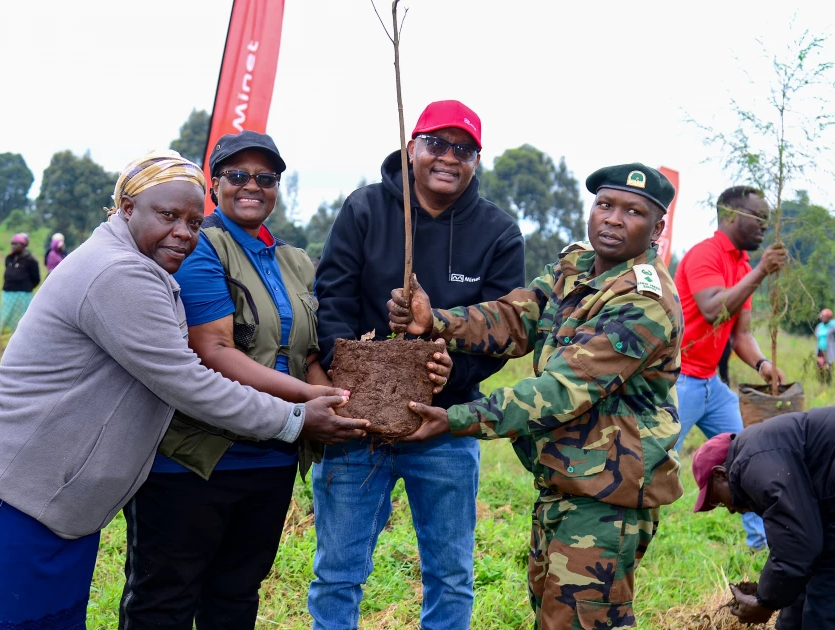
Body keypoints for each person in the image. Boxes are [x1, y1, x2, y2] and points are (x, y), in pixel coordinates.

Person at [0, 150, 369, 630]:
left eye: (194, 221)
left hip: (56, 502)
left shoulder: (147, 269)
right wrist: (296, 419)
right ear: (126, 208)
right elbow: (186, 380)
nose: (183, 232)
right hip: (6, 491)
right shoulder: (119, 273)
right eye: (168, 215)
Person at [389, 163, 684, 630]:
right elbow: (513, 319)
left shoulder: (644, 299)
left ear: (656, 228)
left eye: (632, 211)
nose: (612, 219)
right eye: (605, 205)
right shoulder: (576, 267)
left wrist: (457, 417)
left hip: (609, 495)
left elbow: (563, 390)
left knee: (582, 622)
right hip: (565, 481)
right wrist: (437, 320)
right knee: (551, 616)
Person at [118, 132, 387, 630]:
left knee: (237, 595)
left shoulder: (294, 260)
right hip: (195, 460)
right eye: (237, 175)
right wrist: (310, 401)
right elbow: (213, 350)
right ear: (214, 185)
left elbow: (304, 352)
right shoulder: (199, 245)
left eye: (266, 178)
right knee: (165, 599)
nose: (251, 186)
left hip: (271, 458)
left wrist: (339, 400)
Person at [308, 100, 525, 629]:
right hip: (357, 424)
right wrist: (349, 366)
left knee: (450, 575)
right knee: (337, 572)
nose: (448, 157)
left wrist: (456, 375)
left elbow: (504, 327)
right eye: (436, 144)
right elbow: (331, 295)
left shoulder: (498, 232)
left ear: (477, 158)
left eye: (463, 148)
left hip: (445, 430)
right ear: (412, 147)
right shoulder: (365, 209)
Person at [673, 185, 788, 551]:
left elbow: (740, 333)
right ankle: (622, 534)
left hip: (712, 384)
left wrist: (762, 362)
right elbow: (713, 309)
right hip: (680, 381)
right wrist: (761, 273)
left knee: (749, 458)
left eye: (767, 221)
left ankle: (762, 544)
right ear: (731, 215)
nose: (764, 228)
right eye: (758, 219)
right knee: (652, 460)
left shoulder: (741, 264)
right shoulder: (704, 255)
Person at [691, 408, 835, 629]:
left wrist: (765, 603)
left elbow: (799, 546)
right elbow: (802, 557)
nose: (728, 509)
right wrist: (771, 599)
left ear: (721, 474)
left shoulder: (751, 465)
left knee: (824, 601)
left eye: (719, 500)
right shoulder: (758, 453)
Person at [0, 233, 40, 333]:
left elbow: (36, 279)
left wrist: (25, 287)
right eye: (12, 244)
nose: (13, 246)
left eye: (16, 243)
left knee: (20, 317)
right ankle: (3, 333)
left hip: (23, 294)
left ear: (24, 245)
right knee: (6, 315)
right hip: (7, 292)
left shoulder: (31, 261)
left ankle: (18, 334)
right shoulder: (9, 258)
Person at [814, 308, 835, 384]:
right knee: (820, 367)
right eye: (821, 316)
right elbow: (817, 336)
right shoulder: (819, 326)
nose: (822, 317)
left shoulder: (833, 326)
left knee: (828, 367)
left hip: (829, 351)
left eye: (824, 316)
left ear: (829, 317)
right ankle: (821, 383)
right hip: (820, 350)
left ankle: (828, 383)